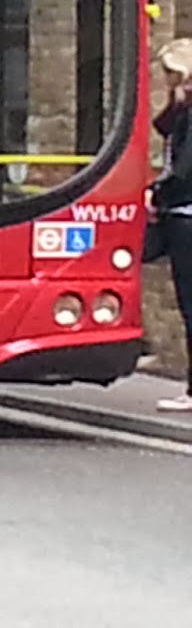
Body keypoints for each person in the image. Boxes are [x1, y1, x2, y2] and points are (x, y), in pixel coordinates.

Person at [148, 38, 192, 412]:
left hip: (186, 217)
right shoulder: (184, 110)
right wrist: (177, 101)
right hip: (180, 215)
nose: (166, 79)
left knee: (190, 304)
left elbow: (184, 170)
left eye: (170, 73)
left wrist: (156, 195)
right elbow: (161, 126)